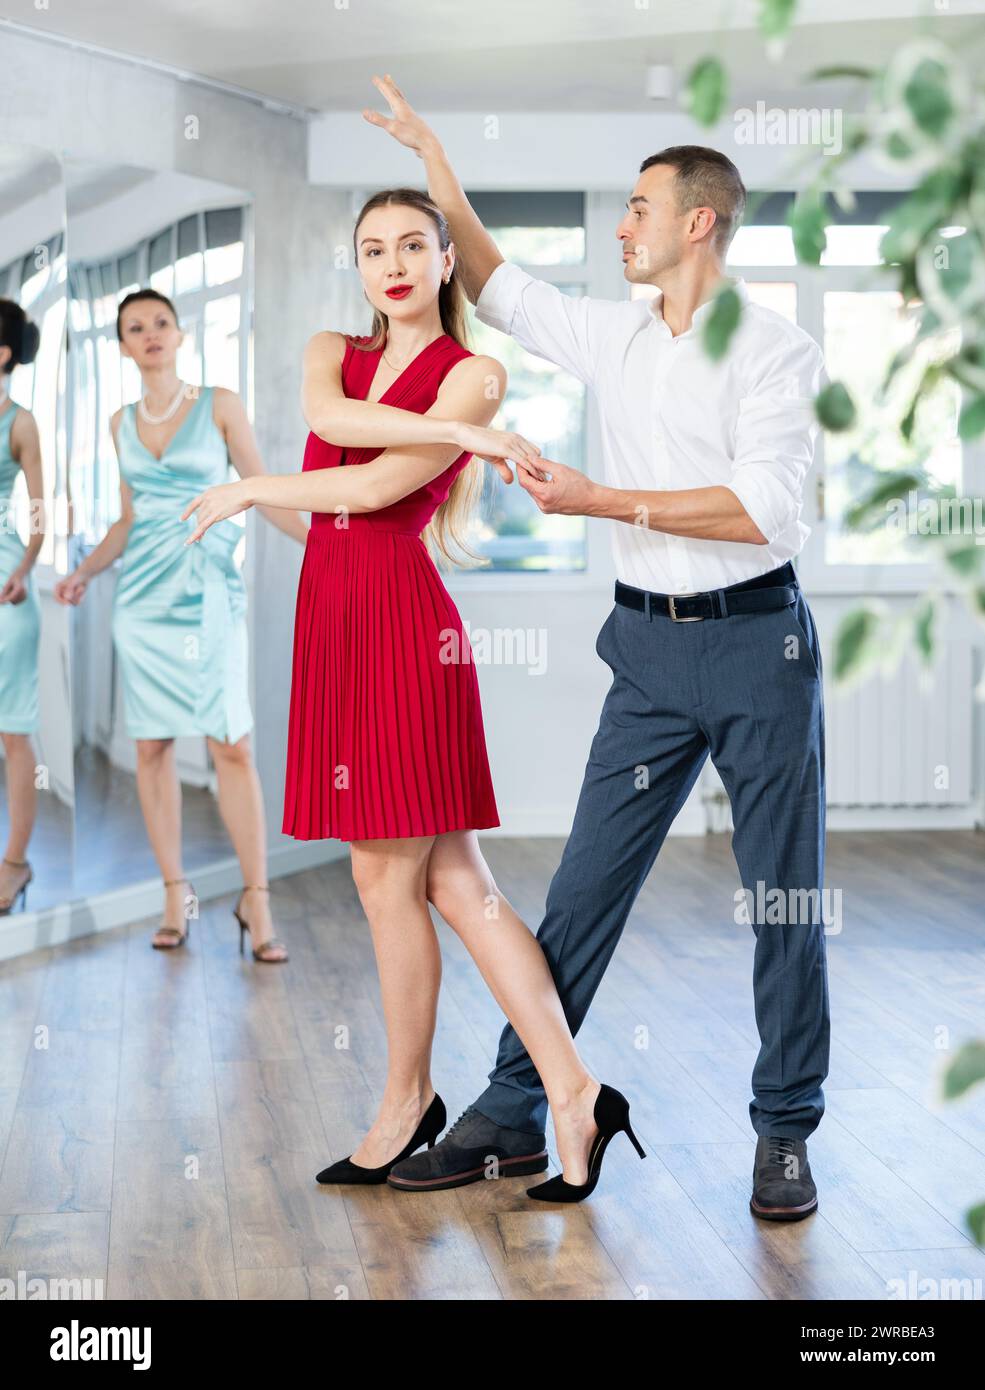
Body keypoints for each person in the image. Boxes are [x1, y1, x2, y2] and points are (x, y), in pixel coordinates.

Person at [365, 74, 829, 1221]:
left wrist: (595, 500)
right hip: (647, 655)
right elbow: (487, 272)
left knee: (782, 897)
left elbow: (762, 508)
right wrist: (434, 159)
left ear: (696, 223)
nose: (620, 227)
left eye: (636, 207)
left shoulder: (774, 349)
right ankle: (516, 1106)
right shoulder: (611, 332)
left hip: (756, 642)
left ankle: (783, 1130)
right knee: (582, 889)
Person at [183, 186, 647, 1202]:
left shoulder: (473, 374)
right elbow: (326, 420)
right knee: (455, 884)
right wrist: (471, 442)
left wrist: (254, 488)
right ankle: (573, 1093)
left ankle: (406, 1105)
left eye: (411, 246)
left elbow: (370, 488)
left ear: (447, 262)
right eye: (371, 249)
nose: (390, 264)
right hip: (335, 620)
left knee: (387, 879)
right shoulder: (329, 353)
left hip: (400, 625)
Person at [55, 290, 307, 960]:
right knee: (151, 748)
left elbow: (262, 486)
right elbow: (128, 518)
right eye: (135, 328)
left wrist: (327, 539)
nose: (150, 335)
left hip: (208, 596)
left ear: (180, 333)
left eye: (160, 323)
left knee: (233, 745)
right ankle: (175, 893)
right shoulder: (118, 422)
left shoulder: (220, 404)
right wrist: (87, 572)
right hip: (140, 603)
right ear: (123, 345)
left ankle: (256, 900)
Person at [0, 300, 43, 914]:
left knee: (12, 733)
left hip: (4, 586)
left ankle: (14, 863)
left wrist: (23, 570)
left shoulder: (20, 420)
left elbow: (41, 515)